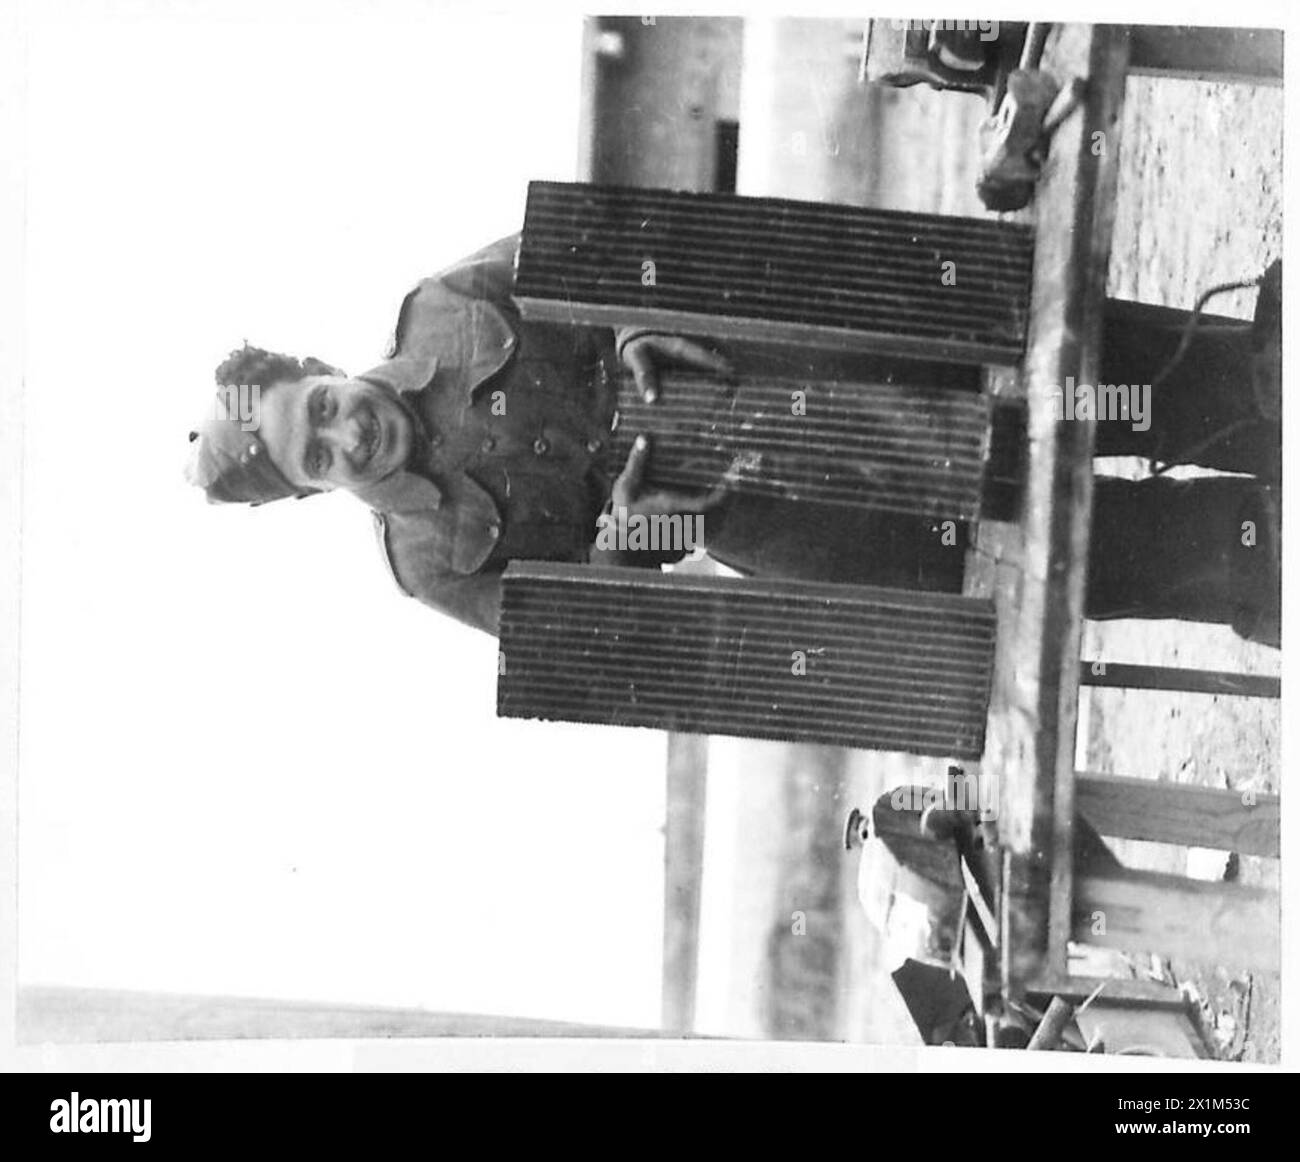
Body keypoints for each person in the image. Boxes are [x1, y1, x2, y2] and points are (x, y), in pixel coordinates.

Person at [188, 238, 1280, 644]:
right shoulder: (424, 566)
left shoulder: (438, 304)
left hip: (769, 375)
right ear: (309, 492)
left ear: (315, 366)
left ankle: (1252, 388)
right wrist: (622, 537)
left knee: (1043, 394)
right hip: (772, 516)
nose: (348, 430)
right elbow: (592, 638)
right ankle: (1250, 545)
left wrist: (640, 327)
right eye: (320, 454)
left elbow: (602, 245)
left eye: (322, 404)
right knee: (1030, 526)